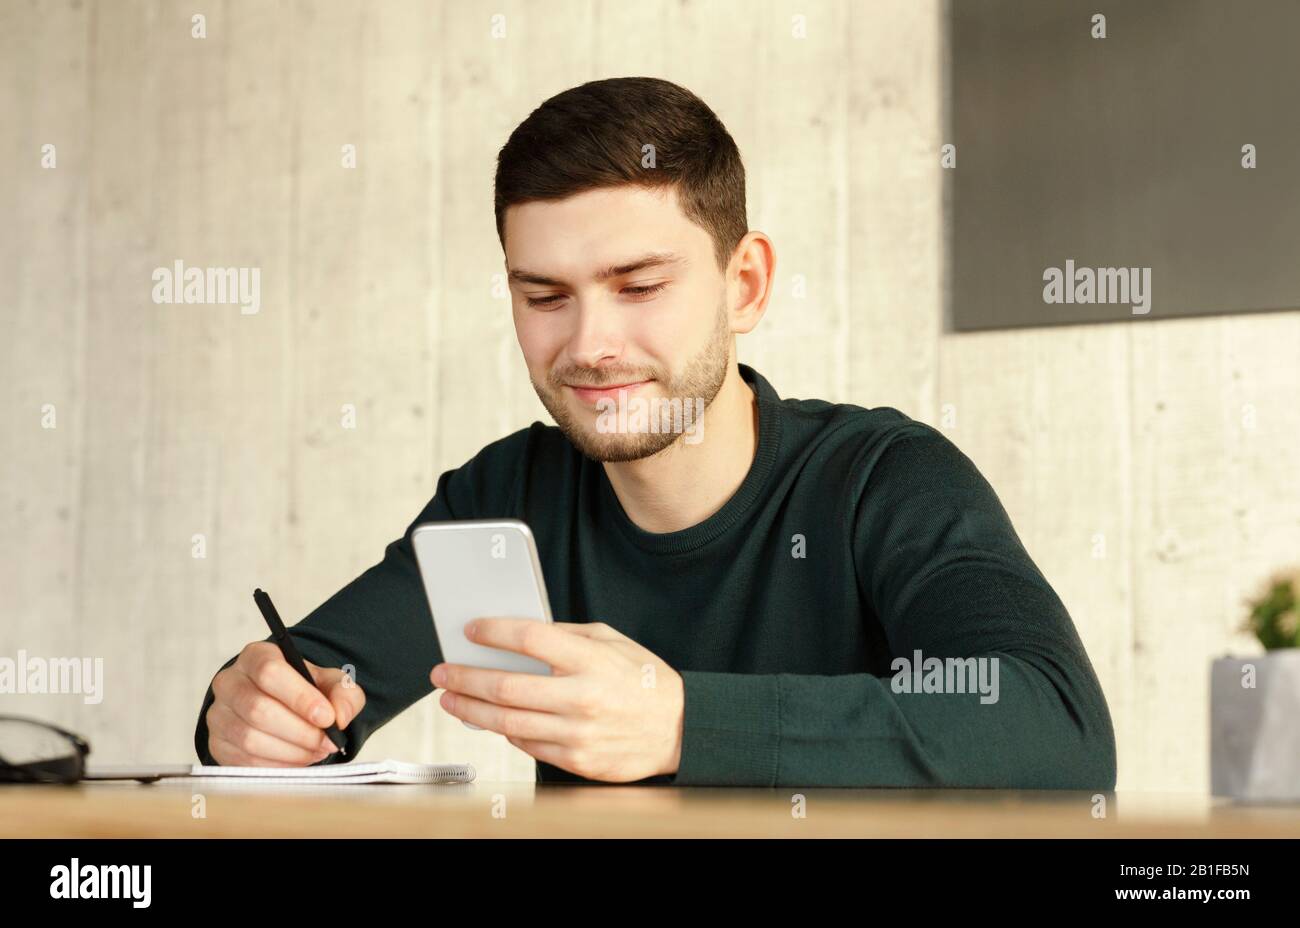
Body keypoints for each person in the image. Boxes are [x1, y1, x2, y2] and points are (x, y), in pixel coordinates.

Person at [196, 76, 1116, 788]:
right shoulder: (506, 498)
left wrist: (684, 722)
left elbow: (1059, 738)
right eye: (544, 296)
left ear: (745, 285)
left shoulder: (884, 480)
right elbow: (313, 682)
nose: (591, 345)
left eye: (639, 287)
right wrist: (244, 714)